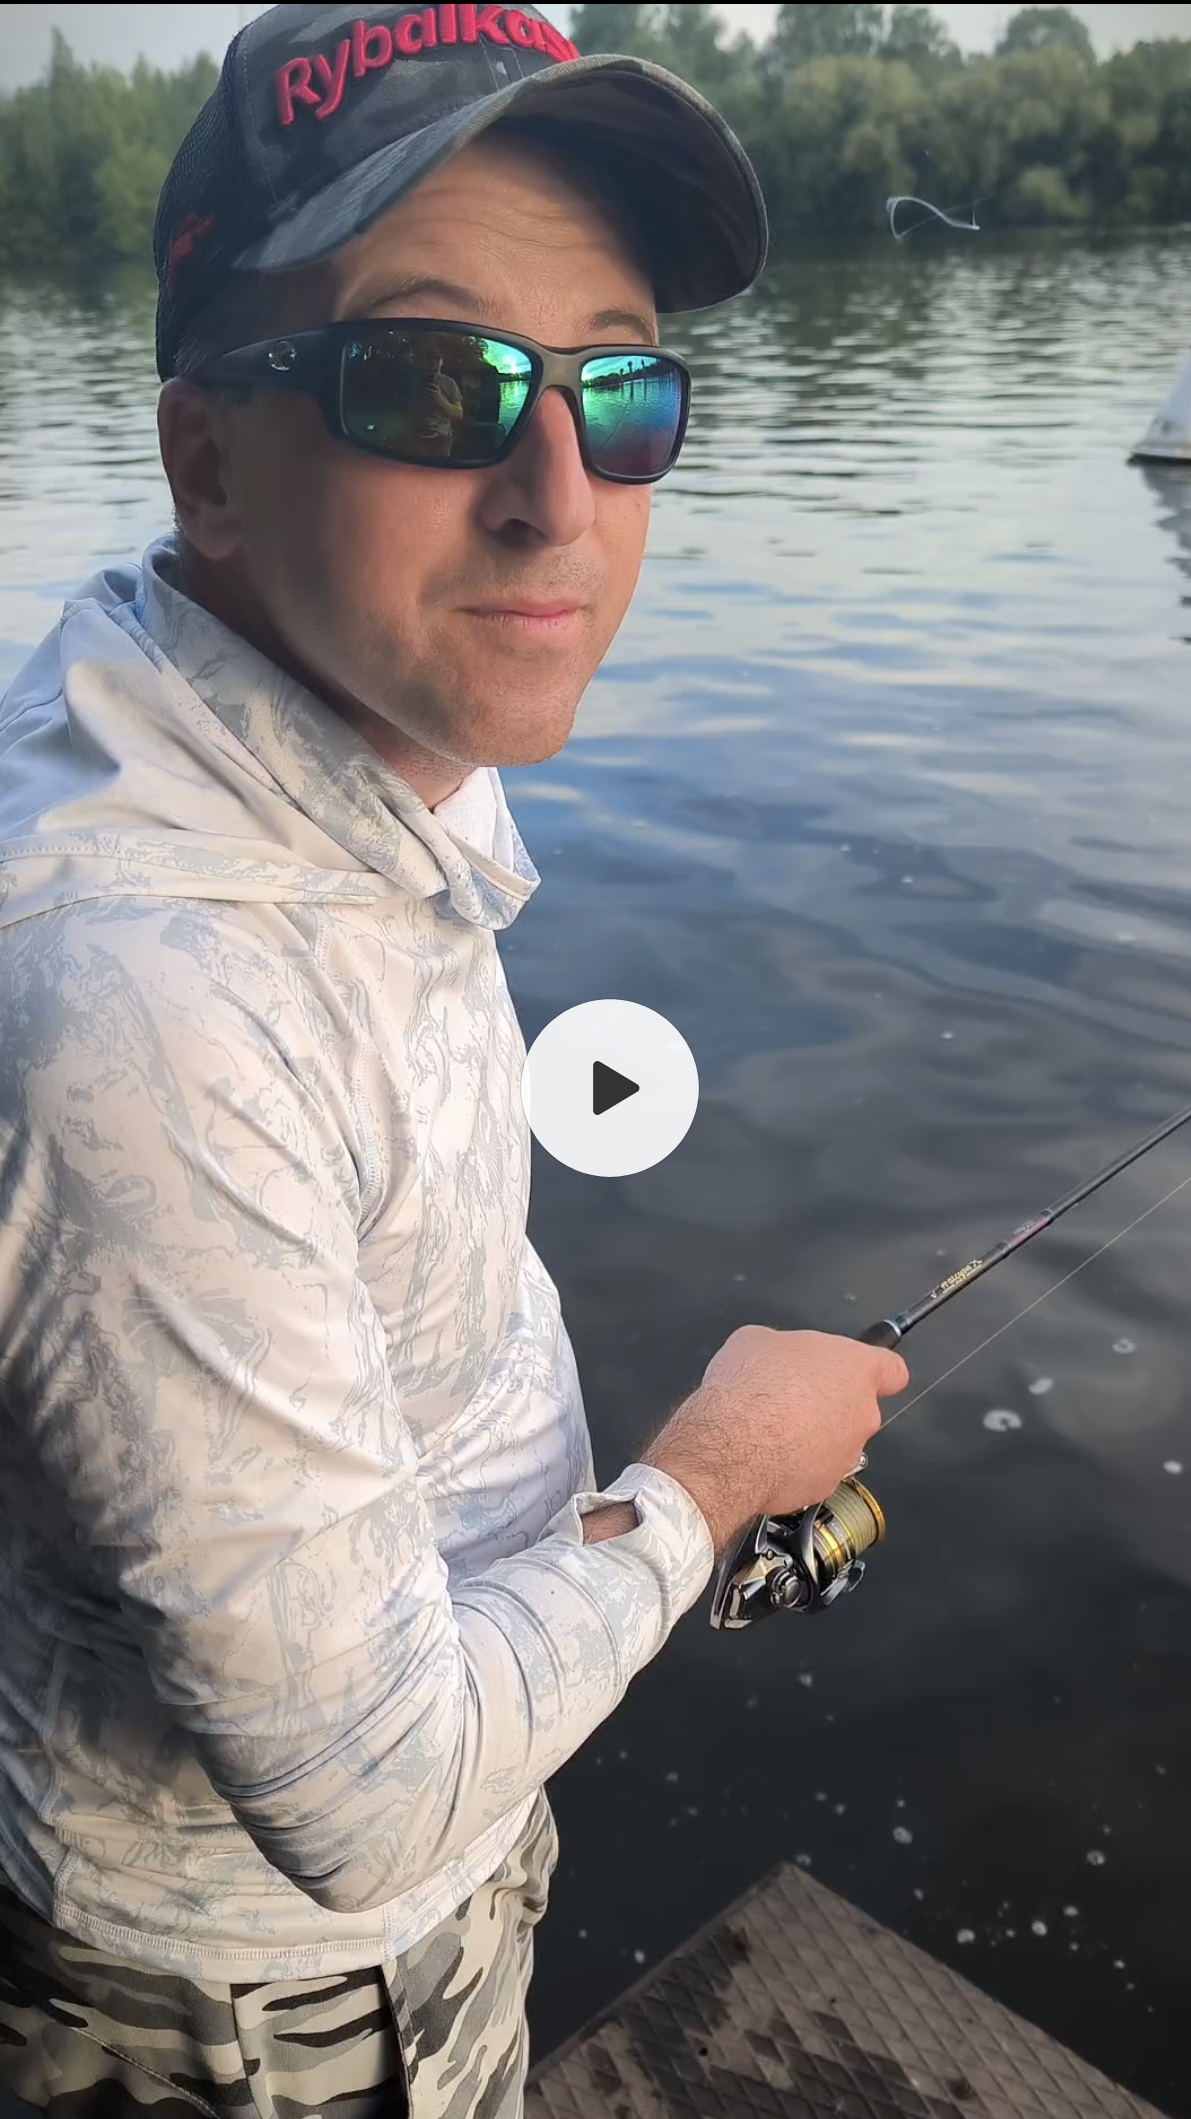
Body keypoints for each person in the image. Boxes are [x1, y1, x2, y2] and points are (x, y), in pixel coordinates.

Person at [0, 7, 909, 2117]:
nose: (555, 498)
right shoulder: (144, 1006)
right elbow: (370, 1792)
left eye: (618, 388)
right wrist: (708, 1479)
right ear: (207, 462)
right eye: (431, 381)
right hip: (271, 2015)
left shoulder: (310, 706)